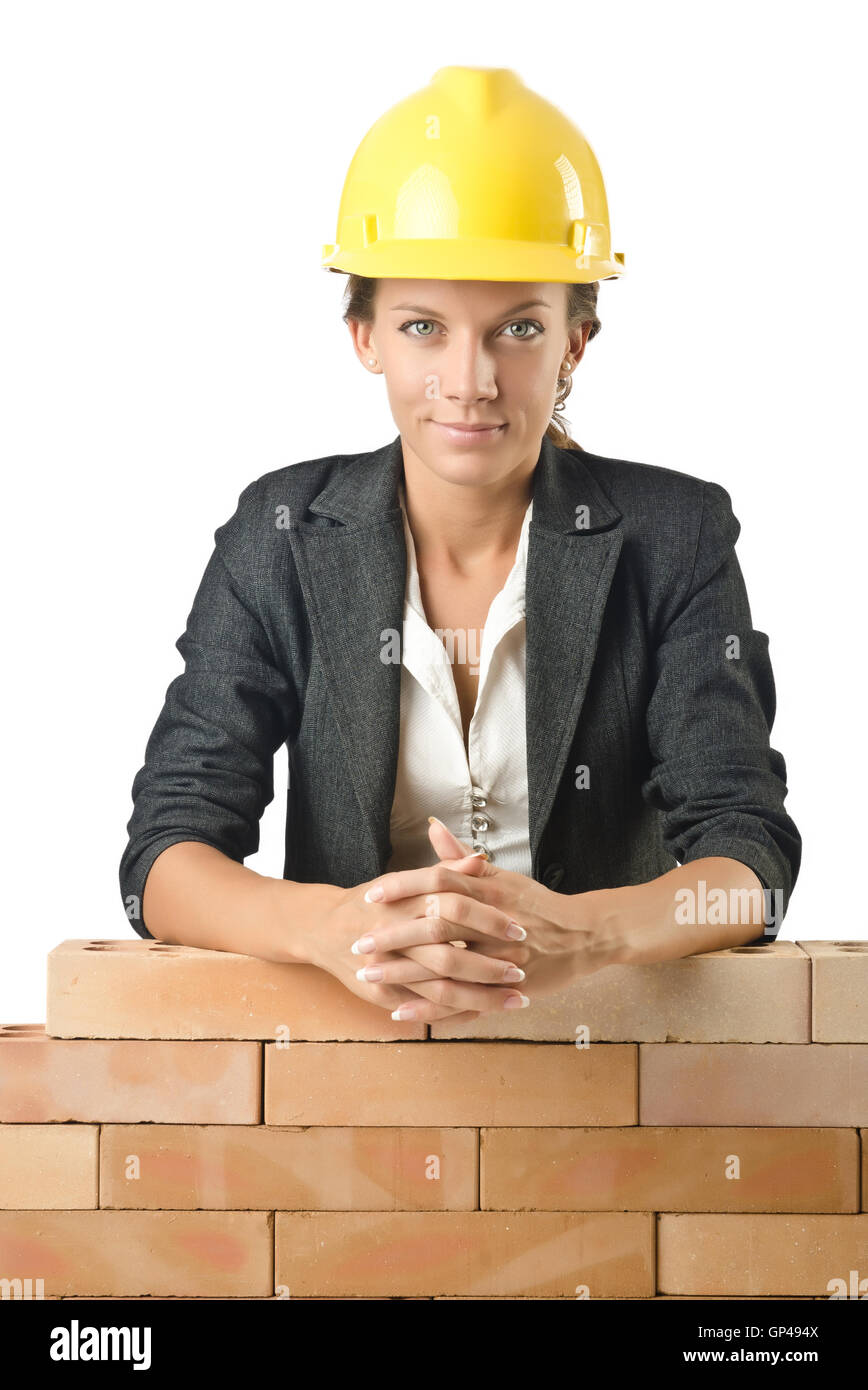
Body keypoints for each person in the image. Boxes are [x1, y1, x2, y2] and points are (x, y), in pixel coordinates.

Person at [119, 66, 801, 1026]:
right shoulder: (278, 535)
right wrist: (330, 928)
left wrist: (585, 935)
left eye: (518, 327)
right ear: (364, 337)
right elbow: (164, 858)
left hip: (612, 1065)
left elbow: (752, 869)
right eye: (422, 328)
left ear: (576, 343)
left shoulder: (674, 536)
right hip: (352, 1062)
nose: (469, 379)